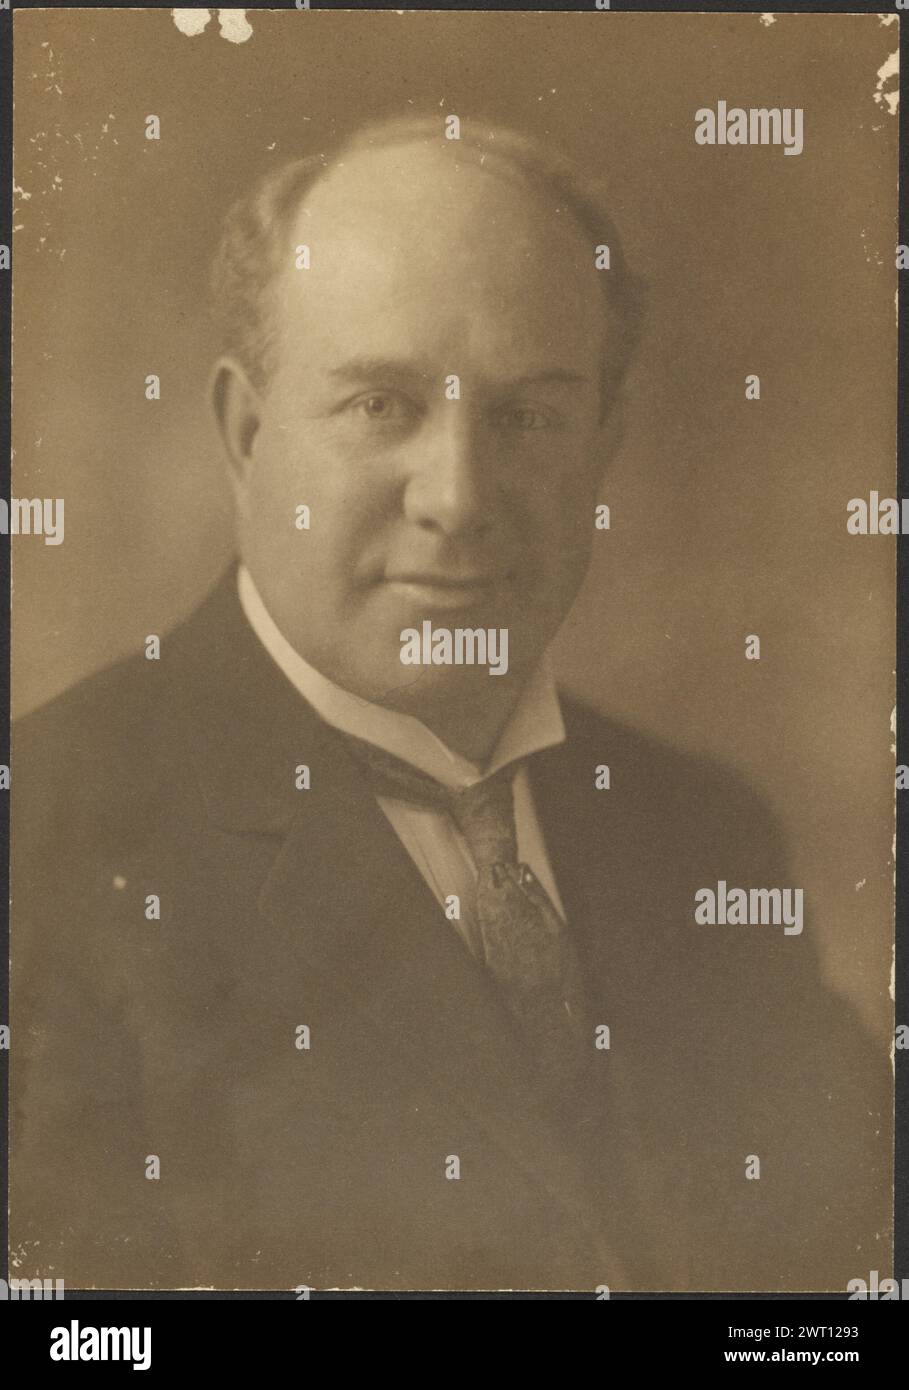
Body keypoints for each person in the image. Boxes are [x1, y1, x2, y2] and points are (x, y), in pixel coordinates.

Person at [10, 117, 889, 1292]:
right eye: (384, 405)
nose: (461, 495)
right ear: (246, 432)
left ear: (605, 448)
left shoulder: (706, 835)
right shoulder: (48, 843)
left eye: (527, 416)